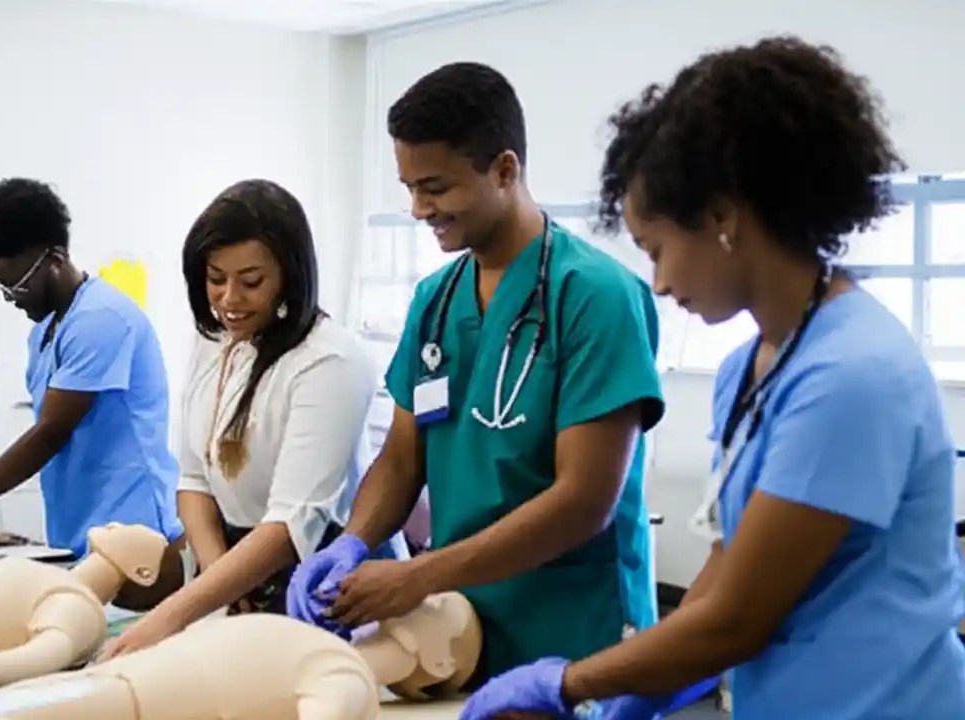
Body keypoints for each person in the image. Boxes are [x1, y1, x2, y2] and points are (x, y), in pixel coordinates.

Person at [458, 36, 965, 720]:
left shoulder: (853, 377)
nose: (660, 283)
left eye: (659, 249)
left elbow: (735, 622)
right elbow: (722, 580)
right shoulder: (749, 369)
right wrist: (639, 694)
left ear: (724, 217)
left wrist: (568, 683)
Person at [288, 62, 666, 685]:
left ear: (505, 169)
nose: (417, 208)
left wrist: (417, 576)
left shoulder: (595, 295)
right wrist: (351, 544)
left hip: (577, 632)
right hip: (463, 625)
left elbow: (584, 502)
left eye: (433, 187)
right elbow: (402, 459)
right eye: (408, 187)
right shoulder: (436, 301)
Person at [99, 179, 402, 658]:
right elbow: (194, 478)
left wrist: (169, 616)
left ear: (289, 273)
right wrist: (219, 577)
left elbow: (290, 525)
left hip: (318, 575)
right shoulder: (215, 339)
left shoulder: (329, 361)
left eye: (251, 281)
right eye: (215, 278)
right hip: (237, 566)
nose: (229, 299)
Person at [0, 179, 184, 575]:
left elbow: (53, 430)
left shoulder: (102, 318)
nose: (9, 296)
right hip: (78, 536)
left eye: (16, 284)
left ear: (55, 259)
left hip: (133, 535)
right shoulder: (45, 331)